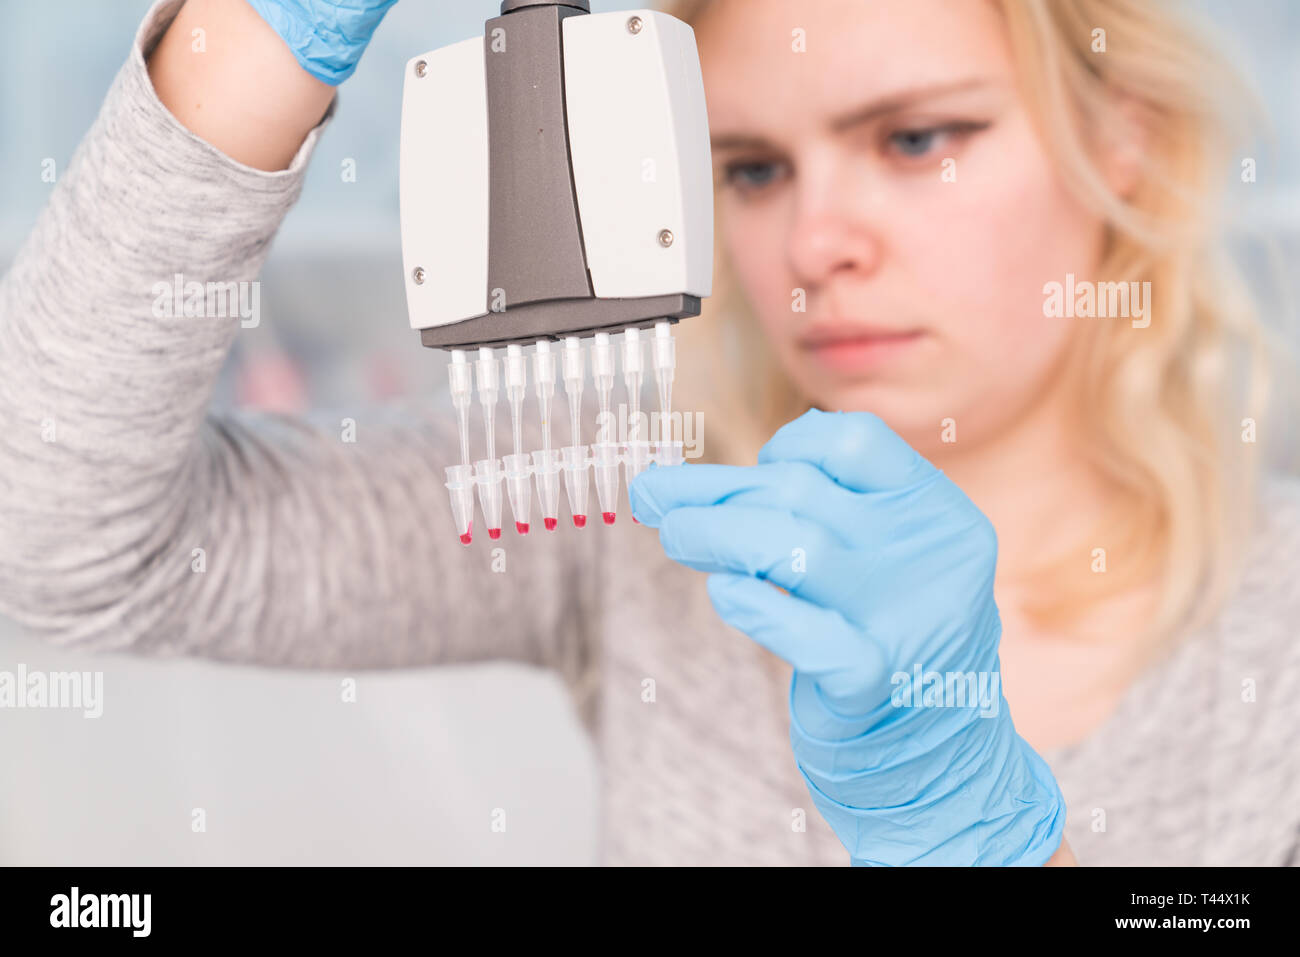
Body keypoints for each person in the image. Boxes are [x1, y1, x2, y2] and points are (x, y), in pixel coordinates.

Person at [1, 0, 1295, 866]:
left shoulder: (1276, 633)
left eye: (915, 138)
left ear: (1126, 141)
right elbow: (62, 540)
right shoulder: (637, 505)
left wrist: (971, 823)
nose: (814, 244)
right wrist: (243, 47)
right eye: (751, 168)